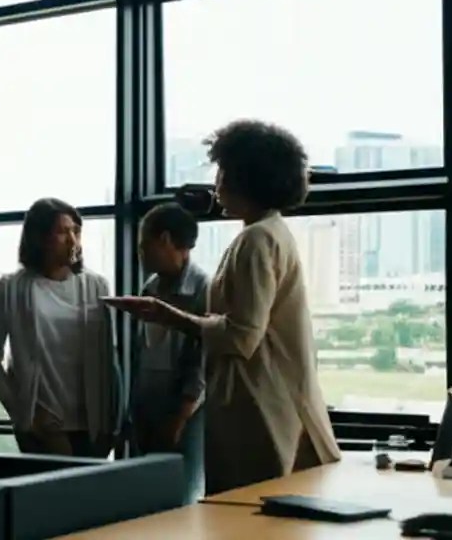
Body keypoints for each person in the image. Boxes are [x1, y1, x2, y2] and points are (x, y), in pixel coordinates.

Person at [107, 119, 341, 494]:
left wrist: (172, 317)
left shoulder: (257, 240)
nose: (216, 184)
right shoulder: (270, 232)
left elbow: (243, 336)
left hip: (260, 409)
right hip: (267, 402)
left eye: (223, 172)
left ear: (244, 179)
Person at [0, 198, 124, 457]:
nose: (72, 240)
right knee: (54, 494)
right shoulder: (11, 288)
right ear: (40, 238)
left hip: (94, 420)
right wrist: (22, 410)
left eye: (76, 231)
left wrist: (114, 420)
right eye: (62, 232)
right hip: (42, 420)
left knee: (90, 494)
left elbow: (110, 358)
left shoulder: (96, 286)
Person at [130, 201, 208, 503]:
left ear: (164, 240)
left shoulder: (203, 288)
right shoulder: (150, 287)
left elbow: (201, 363)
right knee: (147, 501)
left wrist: (180, 417)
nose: (140, 253)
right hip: (147, 407)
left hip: (183, 414)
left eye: (143, 245)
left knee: (181, 499)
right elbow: (141, 353)